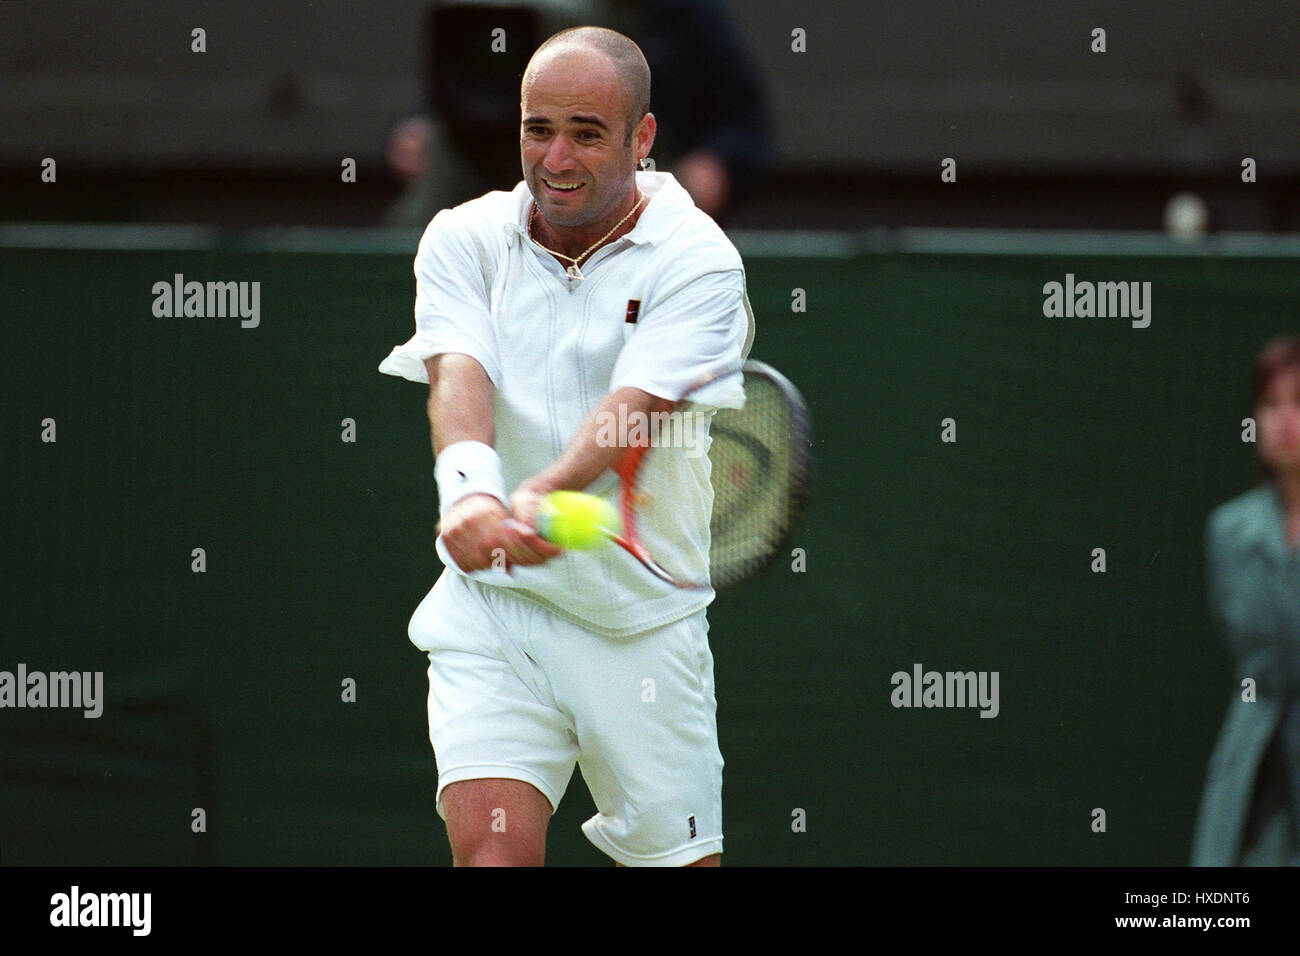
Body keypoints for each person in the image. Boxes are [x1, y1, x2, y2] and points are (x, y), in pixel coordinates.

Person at [378, 25, 753, 866]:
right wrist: (471, 491)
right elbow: (459, 372)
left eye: (586, 132)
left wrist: (546, 492)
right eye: (536, 129)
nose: (555, 158)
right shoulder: (461, 238)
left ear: (642, 139)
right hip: (497, 613)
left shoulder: (700, 263)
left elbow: (633, 412)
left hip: (641, 627)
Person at [383, 0, 770, 226]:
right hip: (478, 163)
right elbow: (467, 80)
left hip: (627, 174)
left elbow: (741, 118)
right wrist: (419, 129)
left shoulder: (681, 14)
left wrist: (716, 166)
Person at [1191, 335, 1300, 865]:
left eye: (1299, 404)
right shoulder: (1228, 532)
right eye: (1270, 404)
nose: (1284, 421)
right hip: (1251, 778)